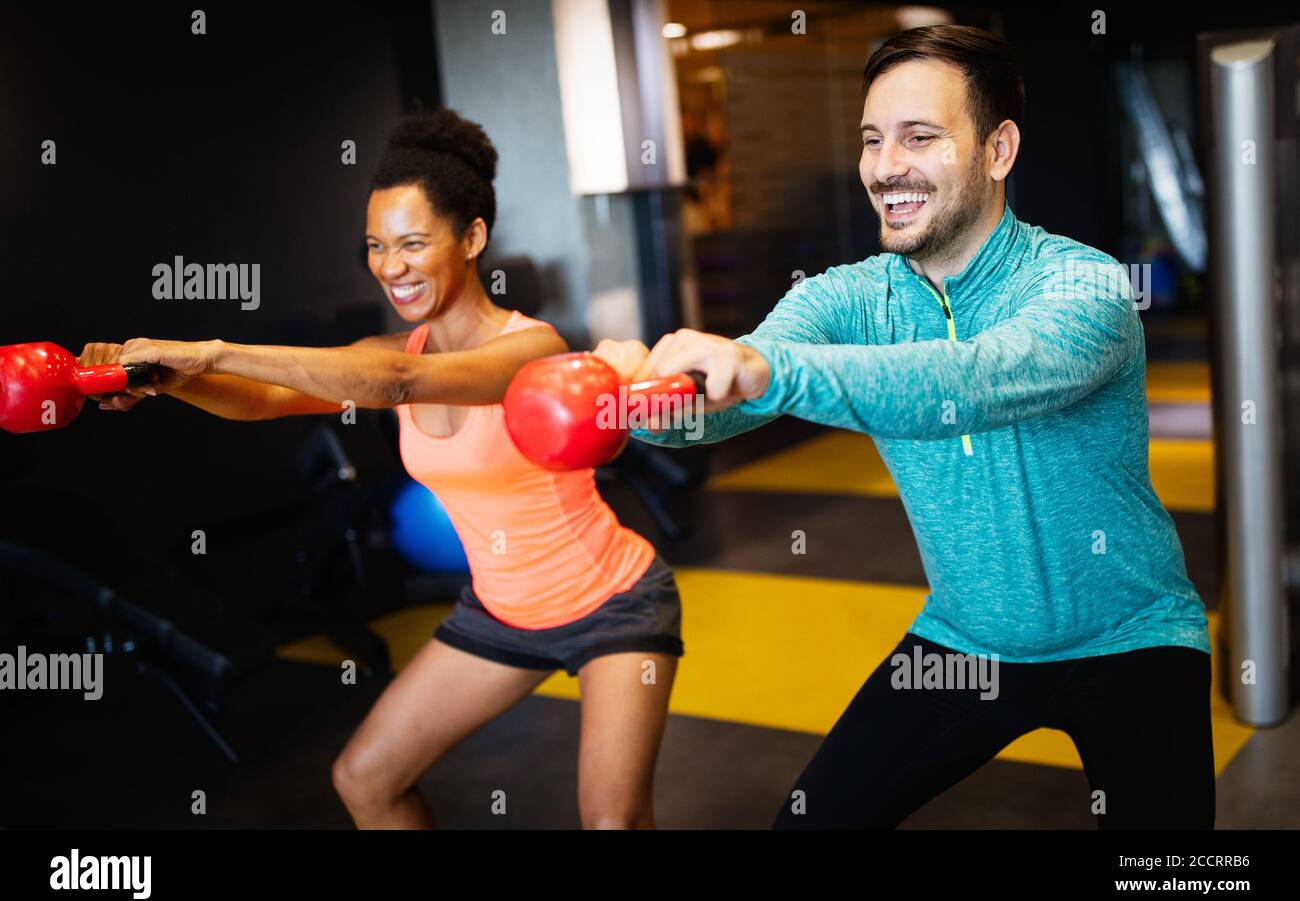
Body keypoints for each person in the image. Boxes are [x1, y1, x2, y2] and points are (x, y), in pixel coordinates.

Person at [596, 24, 1213, 829]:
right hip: (966, 644)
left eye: (919, 137)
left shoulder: (1084, 284)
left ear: (998, 150)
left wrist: (766, 369)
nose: (886, 167)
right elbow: (735, 397)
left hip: (1131, 638)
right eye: (872, 140)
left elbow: (977, 378)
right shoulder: (847, 298)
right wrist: (630, 401)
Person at [85, 107, 684, 829]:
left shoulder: (533, 350)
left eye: (411, 243)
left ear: (472, 238)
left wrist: (211, 351)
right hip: (503, 612)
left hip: (612, 601)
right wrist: (161, 379)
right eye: (375, 245)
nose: (389, 266)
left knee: (614, 822)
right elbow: (263, 398)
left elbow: (398, 385)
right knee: (365, 779)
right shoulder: (393, 351)